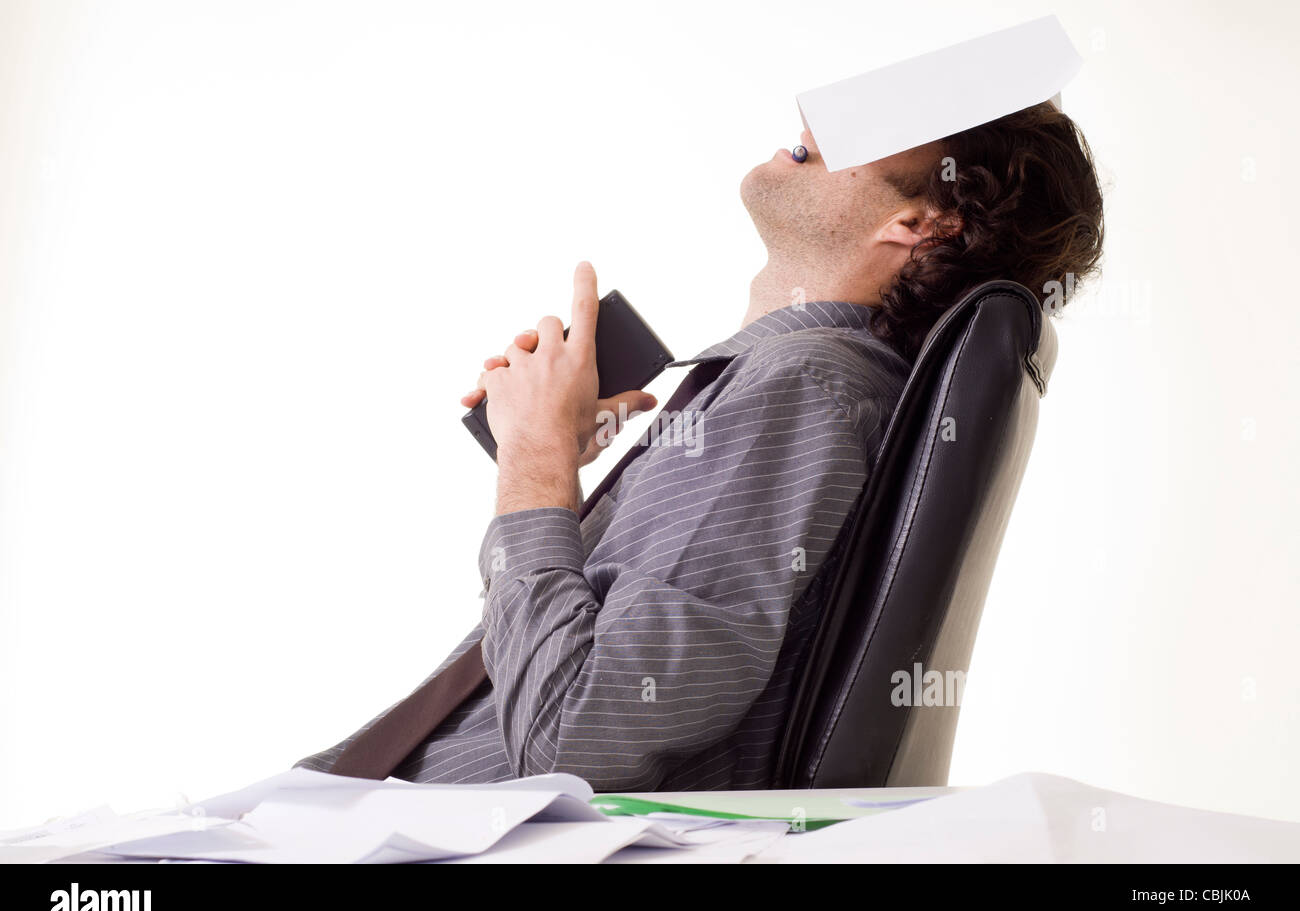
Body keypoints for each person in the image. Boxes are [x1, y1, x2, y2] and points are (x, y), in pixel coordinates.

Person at [295, 100, 1104, 791]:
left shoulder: (801, 388)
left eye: (894, 114)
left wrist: (534, 467)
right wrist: (549, 471)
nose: (825, 111)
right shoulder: (795, 386)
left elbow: (574, 736)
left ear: (925, 221)